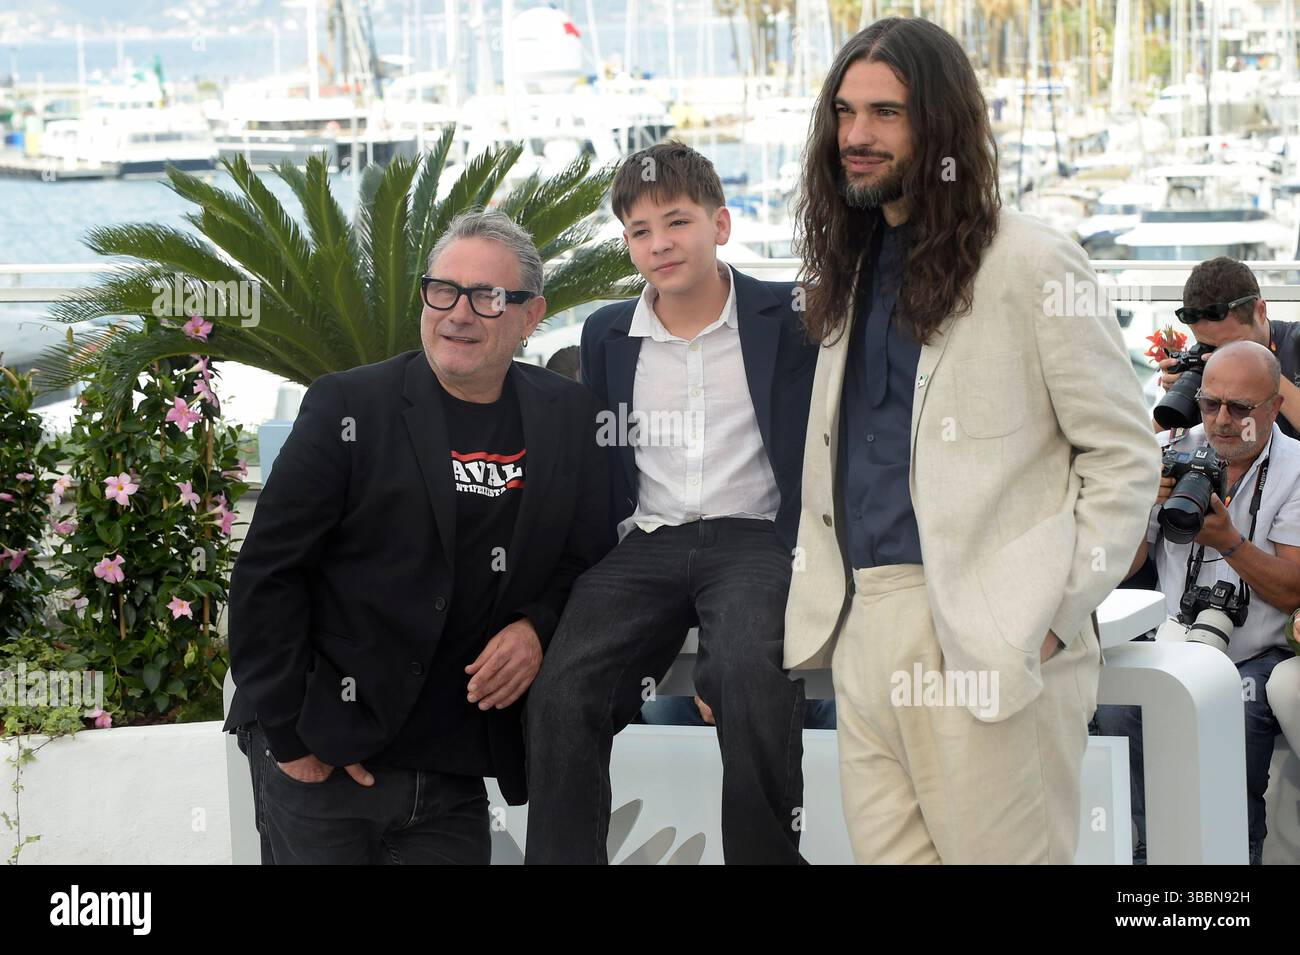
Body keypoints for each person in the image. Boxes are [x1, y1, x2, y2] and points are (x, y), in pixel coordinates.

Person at [784, 17, 1160, 864]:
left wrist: (1053, 618)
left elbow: (1125, 454)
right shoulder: (844, 271)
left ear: (941, 123)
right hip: (862, 626)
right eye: (845, 113)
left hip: (990, 634)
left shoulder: (1032, 264)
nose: (857, 136)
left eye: (885, 113)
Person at [223, 210, 613, 864]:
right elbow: (266, 575)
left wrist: (537, 626)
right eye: (443, 289)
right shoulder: (347, 406)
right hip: (328, 756)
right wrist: (293, 741)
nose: (458, 312)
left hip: (455, 772)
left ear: (530, 313)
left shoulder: (567, 415)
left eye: (487, 297)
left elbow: (590, 558)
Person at [524, 141, 818, 864]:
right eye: (639, 231)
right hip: (645, 544)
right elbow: (598, 459)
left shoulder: (788, 315)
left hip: (753, 537)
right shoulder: (607, 334)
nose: (659, 244)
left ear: (720, 224)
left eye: (676, 222)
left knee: (749, 674)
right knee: (562, 692)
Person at [1116, 340, 1300, 865]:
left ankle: (1234, 869)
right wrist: (1137, 510)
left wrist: (1230, 543)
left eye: (1240, 408)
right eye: (1210, 403)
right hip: (1176, 640)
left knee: (1237, 720)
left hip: (1258, 650)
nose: (1221, 421)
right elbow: (1123, 567)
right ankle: (1150, 863)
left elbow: (1293, 589)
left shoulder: (1295, 469)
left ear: (1273, 407)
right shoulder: (1169, 452)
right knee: (1121, 711)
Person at [1156, 257, 1300, 439]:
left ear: (1260, 311)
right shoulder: (1204, 359)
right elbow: (1150, 441)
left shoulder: (1295, 342)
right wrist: (1180, 394)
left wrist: (1261, 369)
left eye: (1231, 346)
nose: (1222, 357)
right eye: (1208, 345)